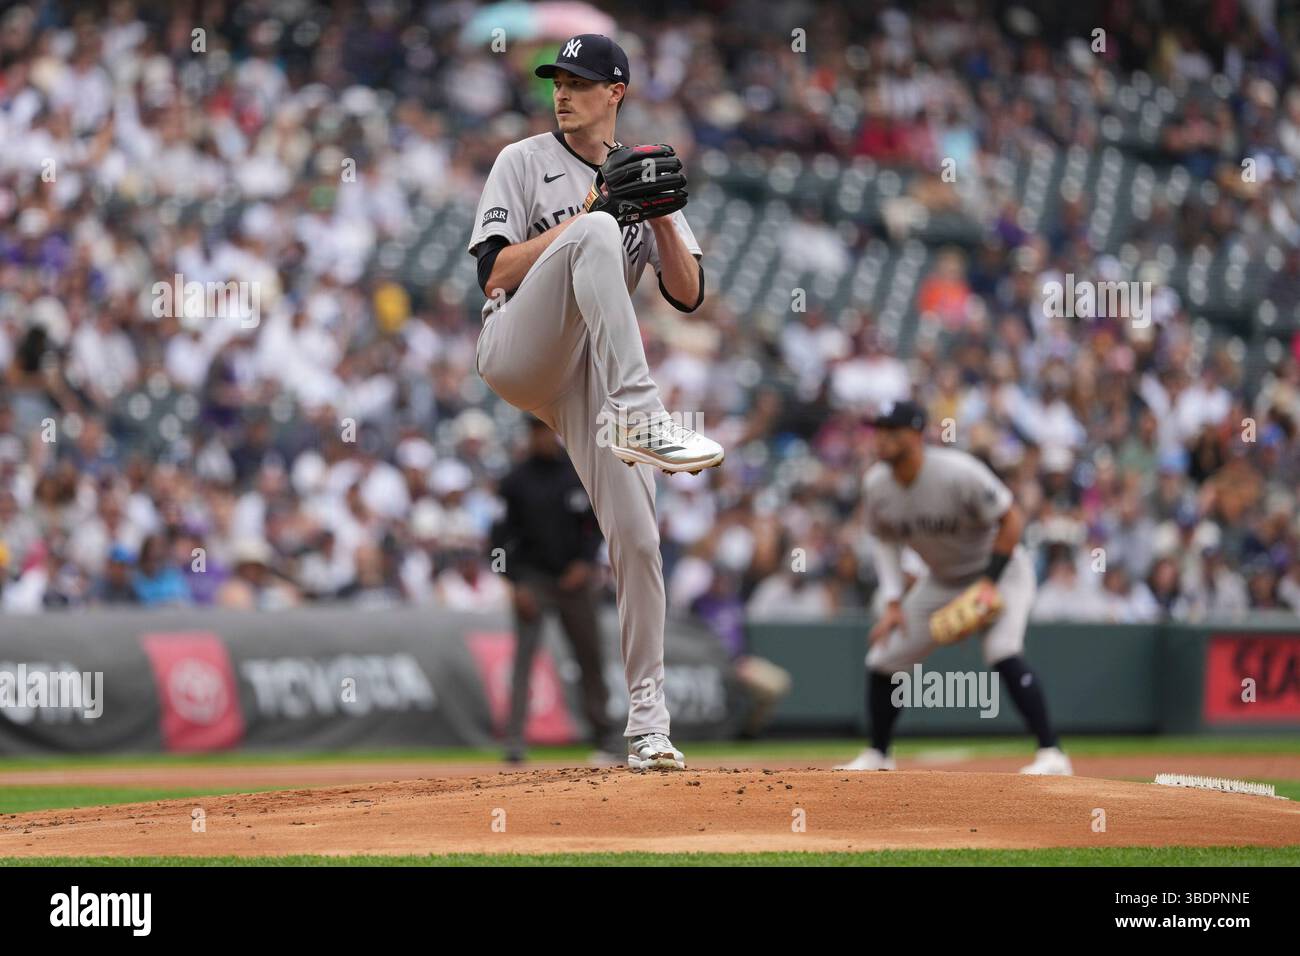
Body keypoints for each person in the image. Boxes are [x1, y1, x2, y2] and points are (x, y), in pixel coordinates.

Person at [468, 33, 725, 770]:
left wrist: (663, 212)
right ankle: (644, 414)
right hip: (519, 346)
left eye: (579, 82)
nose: (562, 92)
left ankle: (648, 728)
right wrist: (591, 213)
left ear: (615, 93)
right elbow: (493, 273)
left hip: (592, 377)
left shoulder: (638, 168)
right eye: (558, 81)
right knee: (595, 230)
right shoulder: (522, 160)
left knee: (640, 541)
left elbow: (687, 294)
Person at [838, 400, 1072, 775]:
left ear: (916, 434)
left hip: (1001, 571)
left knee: (1002, 650)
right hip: (943, 579)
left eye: (891, 430)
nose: (880, 438)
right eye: (877, 430)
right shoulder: (876, 484)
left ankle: (1052, 753)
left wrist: (988, 583)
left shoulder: (956, 472)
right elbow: (884, 540)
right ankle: (879, 755)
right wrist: (894, 602)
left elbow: (1012, 520)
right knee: (884, 658)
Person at [492, 416, 621, 764]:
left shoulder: (577, 472)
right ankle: (514, 740)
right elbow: (497, 540)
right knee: (523, 660)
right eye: (536, 432)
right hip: (533, 580)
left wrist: (586, 563)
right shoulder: (515, 481)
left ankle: (606, 737)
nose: (542, 438)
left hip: (575, 580)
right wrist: (513, 582)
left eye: (546, 431)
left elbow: (597, 524)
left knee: (590, 657)